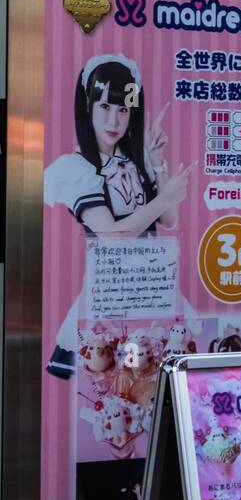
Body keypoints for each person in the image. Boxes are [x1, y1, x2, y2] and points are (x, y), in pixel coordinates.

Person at [43, 54, 193, 378]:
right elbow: (112, 235)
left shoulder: (133, 159)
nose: (114, 121)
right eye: (105, 107)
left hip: (152, 288)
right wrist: (164, 195)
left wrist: (158, 161)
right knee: (106, 387)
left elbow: (168, 219)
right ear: (88, 107)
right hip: (109, 293)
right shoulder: (75, 169)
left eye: (123, 109)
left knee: (156, 381)